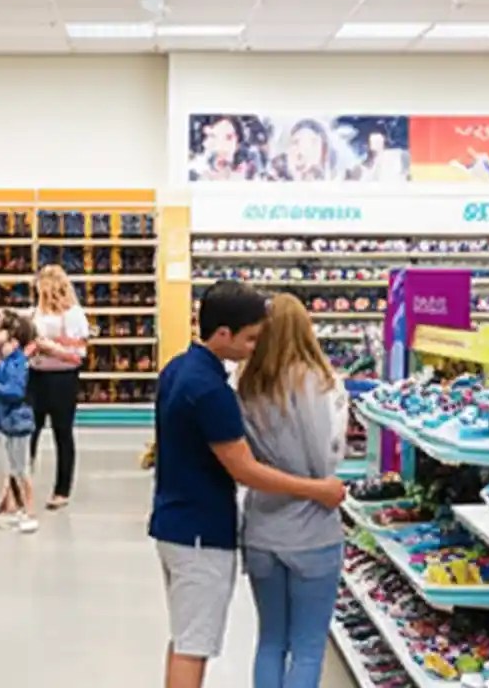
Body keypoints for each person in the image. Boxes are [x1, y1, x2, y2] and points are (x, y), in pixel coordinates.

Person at [150, 281, 346, 688]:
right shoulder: (212, 391)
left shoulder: (179, 369)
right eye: (251, 337)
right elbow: (245, 469)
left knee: (210, 638)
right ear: (224, 333)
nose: (255, 346)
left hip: (183, 522)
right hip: (203, 534)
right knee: (198, 645)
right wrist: (318, 489)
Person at [236, 294, 349, 688]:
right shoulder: (315, 380)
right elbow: (323, 457)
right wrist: (325, 484)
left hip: (263, 528)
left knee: (270, 641)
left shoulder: (246, 382)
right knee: (307, 646)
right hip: (313, 531)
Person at [28, 265, 88, 510]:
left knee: (62, 433)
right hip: (35, 377)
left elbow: (79, 354)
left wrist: (51, 348)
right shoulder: (35, 313)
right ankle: (22, 486)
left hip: (63, 380)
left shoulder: (74, 315)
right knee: (29, 432)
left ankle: (62, 490)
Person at [0, 310, 39, 533]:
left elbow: (16, 390)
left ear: (13, 340)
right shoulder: (4, 360)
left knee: (20, 468)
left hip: (17, 422)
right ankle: (5, 507)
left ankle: (28, 510)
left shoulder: (18, 363)